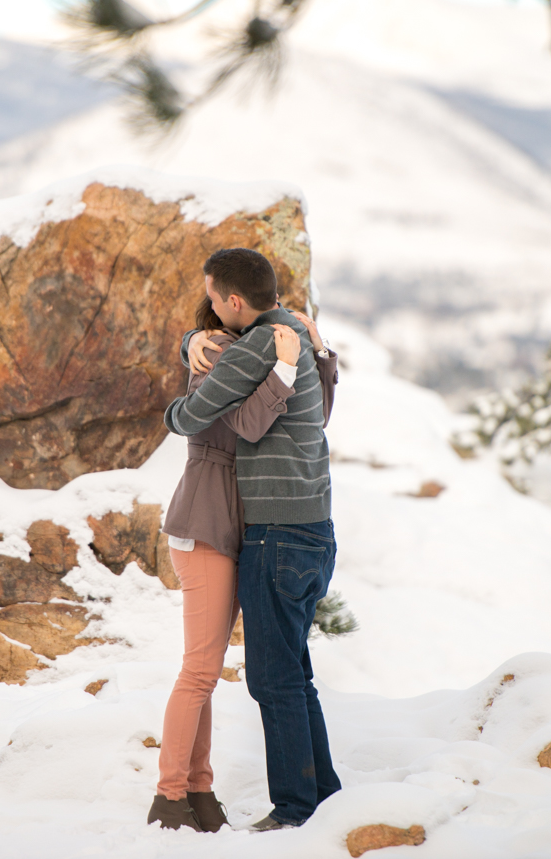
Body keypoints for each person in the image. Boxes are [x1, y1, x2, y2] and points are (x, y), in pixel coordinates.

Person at [148, 280, 337, 833]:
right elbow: (244, 419)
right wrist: (200, 344)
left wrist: (317, 353)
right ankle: (170, 795)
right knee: (201, 671)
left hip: (240, 530)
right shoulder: (222, 358)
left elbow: (309, 414)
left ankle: (200, 789)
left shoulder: (253, 351)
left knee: (208, 671)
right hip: (207, 523)